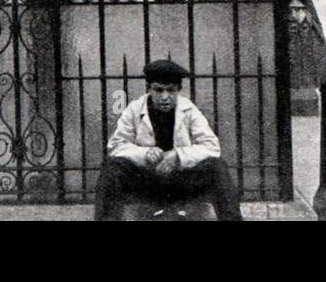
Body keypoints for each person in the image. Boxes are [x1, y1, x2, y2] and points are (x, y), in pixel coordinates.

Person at [94, 58, 242, 221]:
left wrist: (179, 156)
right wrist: (144, 154)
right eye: (159, 90)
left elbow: (212, 147)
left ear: (178, 90)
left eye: (171, 90)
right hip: (147, 183)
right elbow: (115, 146)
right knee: (111, 166)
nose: (165, 97)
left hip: (181, 183)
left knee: (217, 166)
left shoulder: (189, 109)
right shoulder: (134, 109)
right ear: (149, 89)